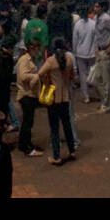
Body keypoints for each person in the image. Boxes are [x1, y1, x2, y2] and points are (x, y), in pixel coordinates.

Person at [38, 37, 76, 166]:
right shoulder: (69, 59)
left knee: (54, 128)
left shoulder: (51, 61)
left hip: (54, 97)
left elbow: (40, 73)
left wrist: (47, 83)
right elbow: (72, 76)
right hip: (65, 96)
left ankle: (56, 156)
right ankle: (72, 151)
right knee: (67, 125)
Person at [16, 39, 43, 157]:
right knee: (27, 122)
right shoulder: (24, 60)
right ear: (32, 48)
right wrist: (35, 76)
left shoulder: (30, 59)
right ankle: (26, 147)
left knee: (28, 121)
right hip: (26, 94)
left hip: (31, 94)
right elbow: (23, 76)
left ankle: (25, 143)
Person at [93, 0, 110, 113]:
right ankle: (107, 101)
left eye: (97, 6)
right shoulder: (96, 18)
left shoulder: (106, 18)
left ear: (103, 8)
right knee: (97, 78)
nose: (95, 8)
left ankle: (107, 105)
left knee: (105, 80)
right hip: (99, 51)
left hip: (106, 52)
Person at [71, 3, 96, 102]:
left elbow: (75, 40)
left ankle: (86, 96)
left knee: (83, 75)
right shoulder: (93, 23)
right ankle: (97, 91)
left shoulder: (77, 24)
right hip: (91, 53)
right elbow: (96, 38)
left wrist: (74, 52)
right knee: (92, 73)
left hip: (80, 53)